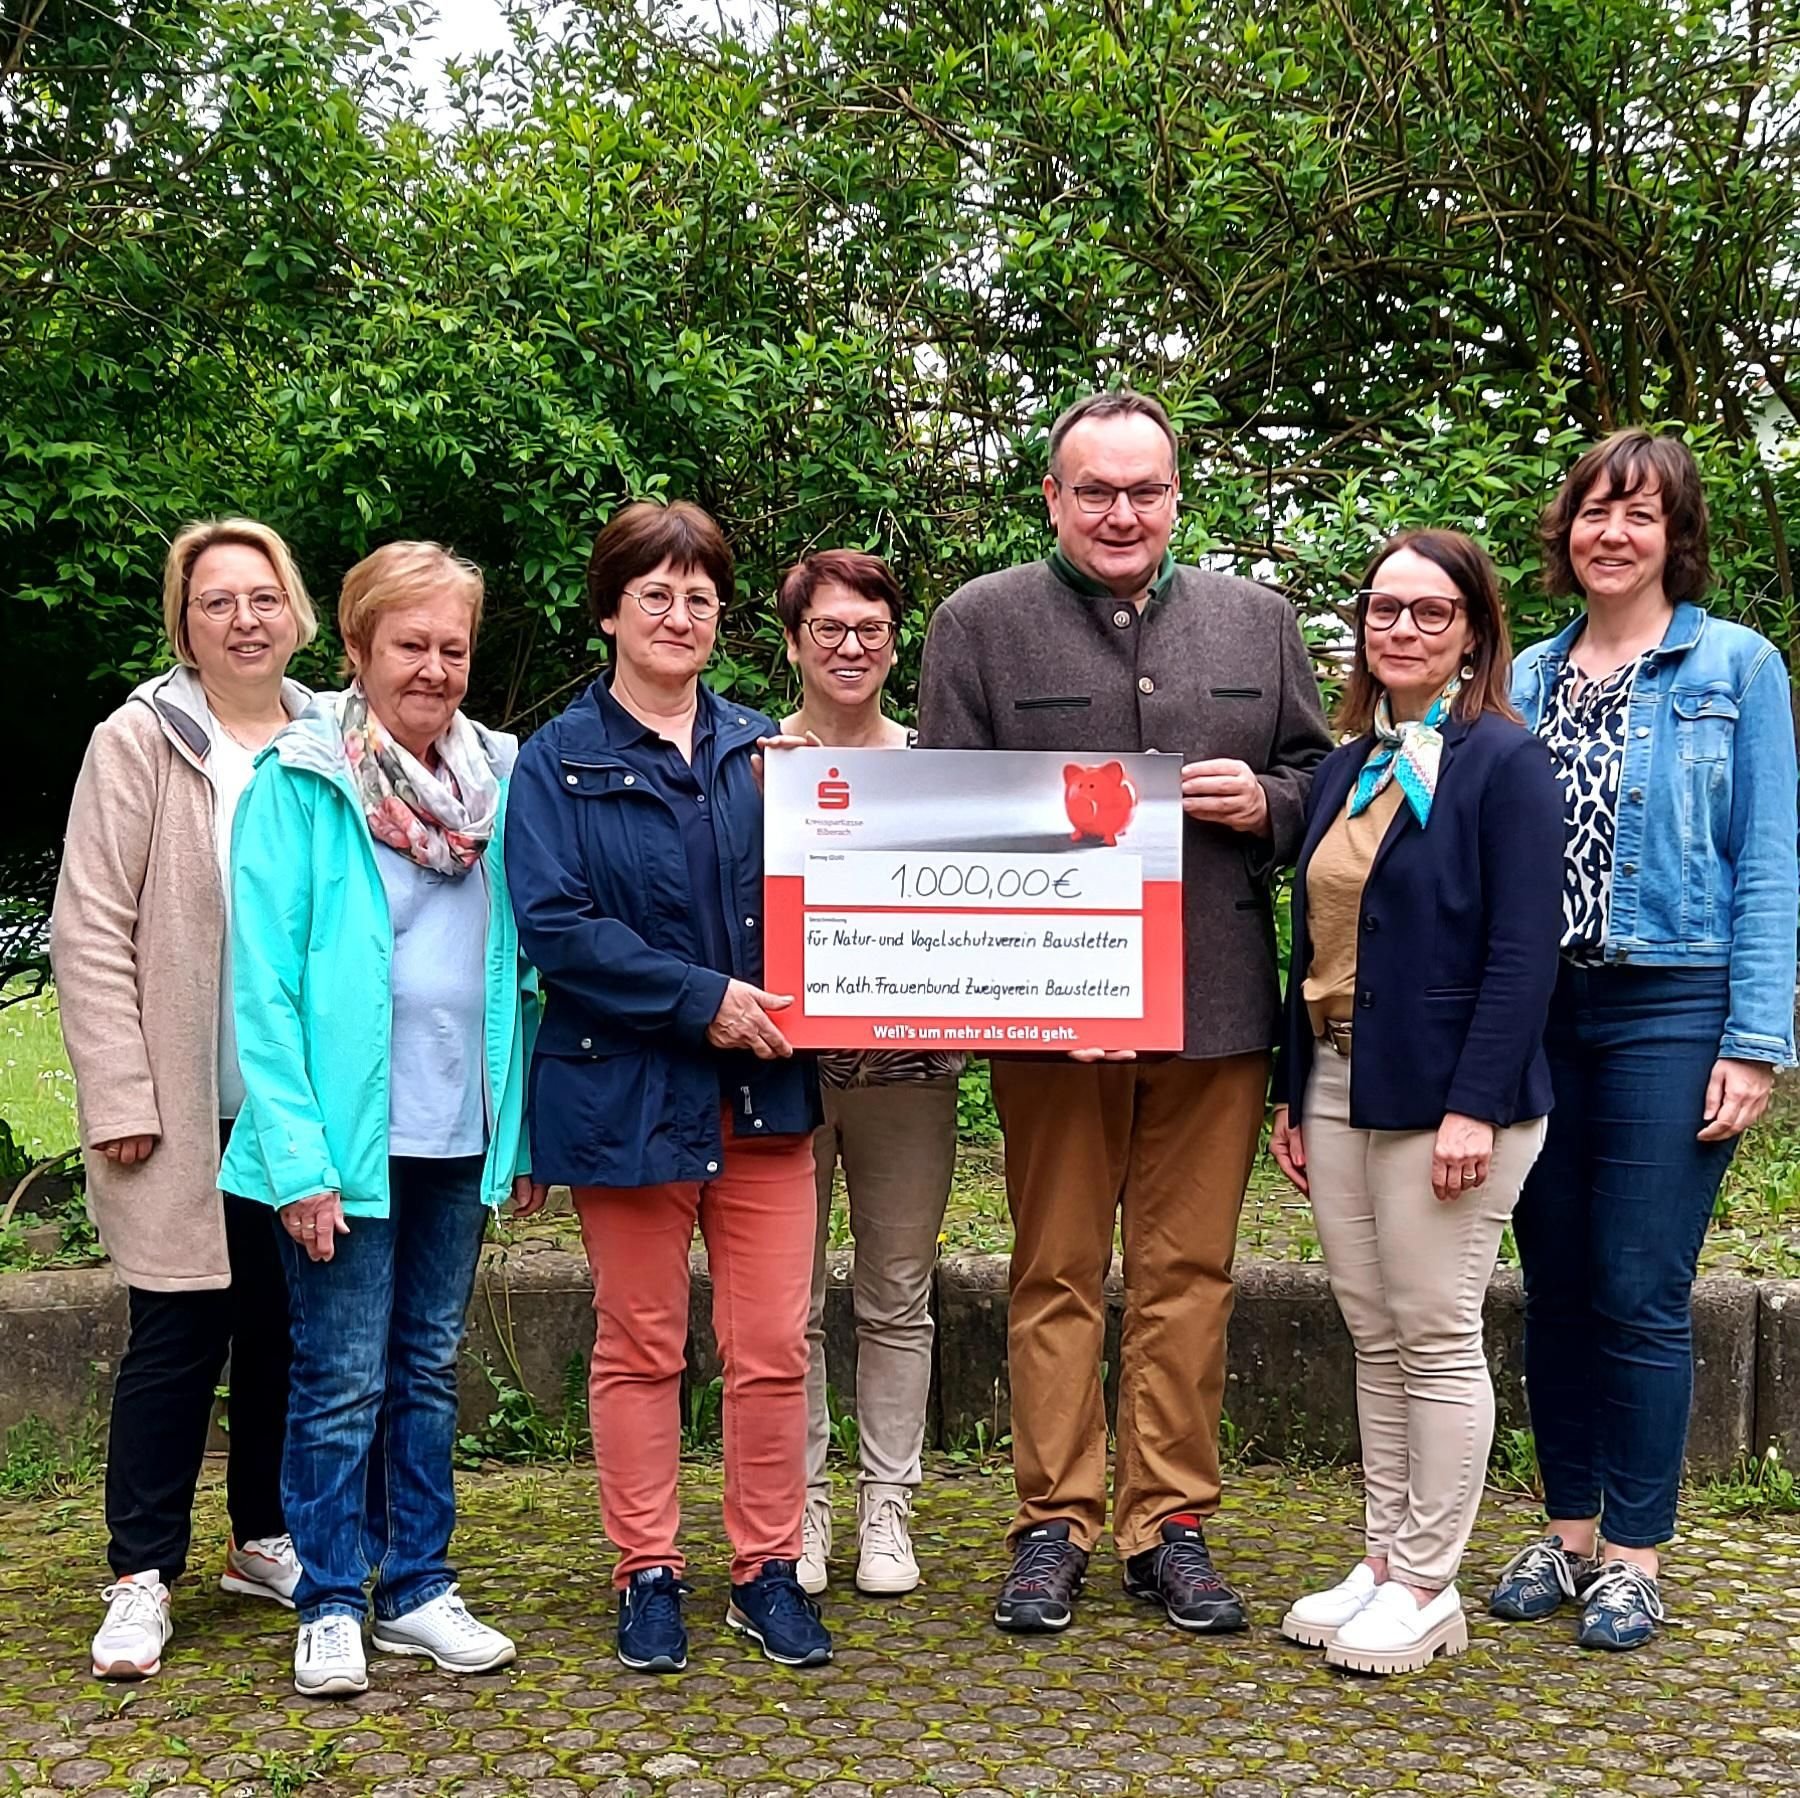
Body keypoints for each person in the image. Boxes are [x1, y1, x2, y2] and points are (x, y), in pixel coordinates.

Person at [916, 389, 1332, 1636]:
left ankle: (1171, 1524)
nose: (1120, 512)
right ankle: (1054, 1520)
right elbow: (937, 822)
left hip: (1213, 1007)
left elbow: (1323, 778)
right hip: (1053, 1019)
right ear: (1051, 495)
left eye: (1144, 489)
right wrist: (1025, 977)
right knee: (1052, 1271)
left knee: (1187, 1273)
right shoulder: (978, 623)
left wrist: (1263, 801)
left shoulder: (1258, 623)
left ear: (1175, 496)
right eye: (1094, 490)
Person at [506, 499, 831, 1676]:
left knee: (771, 1346)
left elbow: (836, 907)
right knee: (639, 1345)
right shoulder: (554, 761)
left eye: (700, 596)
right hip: (627, 1089)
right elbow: (555, 926)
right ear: (608, 612)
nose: (681, 614)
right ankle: (647, 1568)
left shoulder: (772, 756)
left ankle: (767, 1569)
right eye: (656, 593)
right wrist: (703, 998)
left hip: (765, 1099)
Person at [1489, 430, 1799, 1650]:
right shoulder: (1524, 674)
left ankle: (1635, 1552)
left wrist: (1754, 1039)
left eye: (1642, 514)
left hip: (1673, 999)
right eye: (1594, 511)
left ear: (1676, 535)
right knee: (1552, 1280)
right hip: (1539, 1008)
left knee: (1638, 1281)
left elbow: (1768, 859)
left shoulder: (1736, 666)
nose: (1613, 533)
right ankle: (1566, 1532)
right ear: (1566, 530)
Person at [220, 541, 543, 1699]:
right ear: (356, 650)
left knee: (427, 1364)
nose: (436, 668)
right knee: (341, 1371)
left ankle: (416, 1586)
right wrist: (298, 1162)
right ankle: (329, 1598)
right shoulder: (301, 781)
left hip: (458, 1127)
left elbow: (522, 966)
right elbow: (262, 989)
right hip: (337, 1148)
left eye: (454, 647)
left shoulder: (500, 779)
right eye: (411, 644)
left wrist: (521, 1127)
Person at [1267, 530, 1564, 1674]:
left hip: (1450, 1095)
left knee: (1436, 1337)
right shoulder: (1350, 765)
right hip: (1344, 1077)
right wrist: (1295, 1088)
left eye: (1429, 613)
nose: (1400, 630)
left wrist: (1476, 1106)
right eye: (1383, 610)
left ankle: (1431, 1580)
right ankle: (1386, 1558)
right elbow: (1321, 940)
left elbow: (1525, 948)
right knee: (1373, 1330)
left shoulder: (1503, 762)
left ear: (1474, 633)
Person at [52, 519, 317, 1679]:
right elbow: (90, 924)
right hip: (175, 1103)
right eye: (218, 603)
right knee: (175, 1333)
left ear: (297, 612)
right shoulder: (139, 741)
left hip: (295, 1107)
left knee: (283, 1332)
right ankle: (139, 1572)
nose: (245, 620)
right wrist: (119, 1086)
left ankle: (260, 1538)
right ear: (185, 624)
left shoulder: (330, 738)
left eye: (264, 598)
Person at [770, 549, 963, 1599]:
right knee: (784, 1304)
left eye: (873, 632)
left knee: (899, 1293)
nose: (852, 648)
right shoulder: (749, 763)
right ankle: (801, 1504)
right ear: (794, 640)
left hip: (910, 1070)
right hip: (781, 1070)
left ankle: (889, 1504)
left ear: (897, 644)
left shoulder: (939, 766)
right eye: (831, 630)